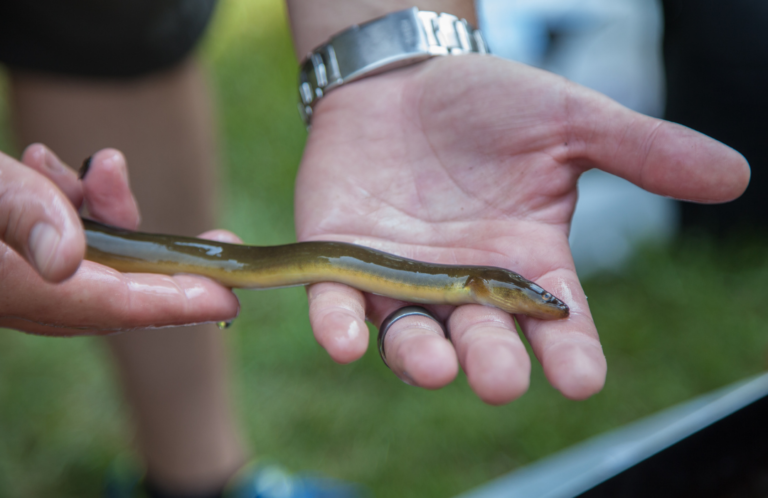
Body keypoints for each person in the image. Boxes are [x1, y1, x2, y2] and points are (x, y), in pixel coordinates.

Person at [0, 1, 750, 497]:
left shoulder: (470, 278)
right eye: (533, 295)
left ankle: (199, 481)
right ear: (488, 286)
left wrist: (403, 61)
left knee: (115, 26)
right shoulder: (467, 280)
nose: (540, 302)